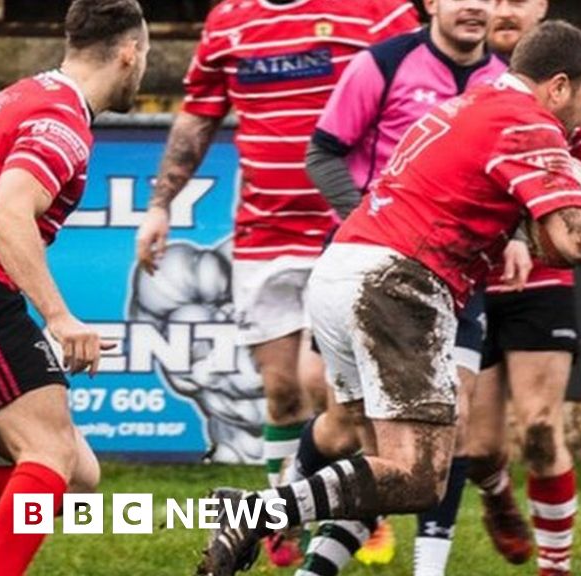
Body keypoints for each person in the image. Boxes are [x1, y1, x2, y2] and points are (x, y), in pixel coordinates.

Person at [196, 21, 581, 576]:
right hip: (398, 285)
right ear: (559, 86)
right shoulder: (529, 124)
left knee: (378, 461)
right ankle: (260, 510)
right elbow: (576, 241)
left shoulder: (474, 103)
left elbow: (538, 238)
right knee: (419, 475)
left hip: (345, 269)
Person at [134, 0, 418, 565]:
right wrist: (160, 204)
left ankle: (349, 510)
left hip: (349, 228)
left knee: (337, 393)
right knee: (282, 390)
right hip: (263, 233)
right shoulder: (229, 20)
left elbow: (419, 97)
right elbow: (198, 116)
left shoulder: (378, 11)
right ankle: (279, 518)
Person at [296, 0, 507, 573]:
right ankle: (279, 516)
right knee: (351, 430)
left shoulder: (505, 82)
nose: (475, 6)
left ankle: (428, 566)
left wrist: (513, 233)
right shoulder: (383, 64)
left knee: (453, 416)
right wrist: (374, 219)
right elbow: (322, 152)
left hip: (455, 277)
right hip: (374, 270)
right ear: (430, 3)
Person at [461, 2, 581, 573]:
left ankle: (555, 566)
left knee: (539, 426)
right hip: (473, 280)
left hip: (545, 276)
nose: (506, 9)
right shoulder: (473, 90)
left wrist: (550, 222)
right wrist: (507, 226)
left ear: (542, 10)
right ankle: (496, 494)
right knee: (477, 448)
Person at [0, 1, 149, 574]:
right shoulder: (61, 119)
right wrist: (59, 316)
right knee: (51, 453)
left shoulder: (24, 94)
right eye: (145, 56)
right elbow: (7, 215)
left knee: (78, 477)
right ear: (130, 53)